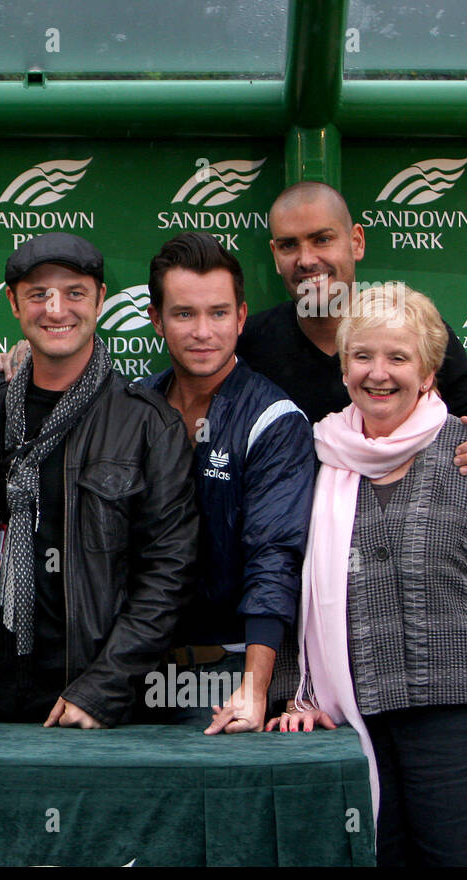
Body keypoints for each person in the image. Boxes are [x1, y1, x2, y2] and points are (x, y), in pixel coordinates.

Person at [270, 283, 467, 866]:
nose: (379, 373)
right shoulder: (316, 457)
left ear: (428, 373)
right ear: (344, 366)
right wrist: (294, 695)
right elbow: (290, 588)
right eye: (363, 355)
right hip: (357, 720)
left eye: (399, 358)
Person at [0, 233, 199, 728]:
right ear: (12, 303)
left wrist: (103, 688)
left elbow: (168, 574)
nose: (56, 310)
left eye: (74, 293)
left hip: (88, 693)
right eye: (37, 294)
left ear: (100, 300)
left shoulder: (148, 426)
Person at [140, 233, 314, 733]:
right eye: (183, 314)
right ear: (157, 320)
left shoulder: (274, 420)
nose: (202, 332)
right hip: (133, 664)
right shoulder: (134, 404)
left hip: (226, 672)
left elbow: (274, 557)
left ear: (240, 318)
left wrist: (253, 689)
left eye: (218, 314)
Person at [240, 180, 467, 480]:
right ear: (274, 255)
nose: (306, 259)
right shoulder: (248, 344)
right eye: (288, 245)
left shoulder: (418, 332)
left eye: (321, 239)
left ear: (356, 242)